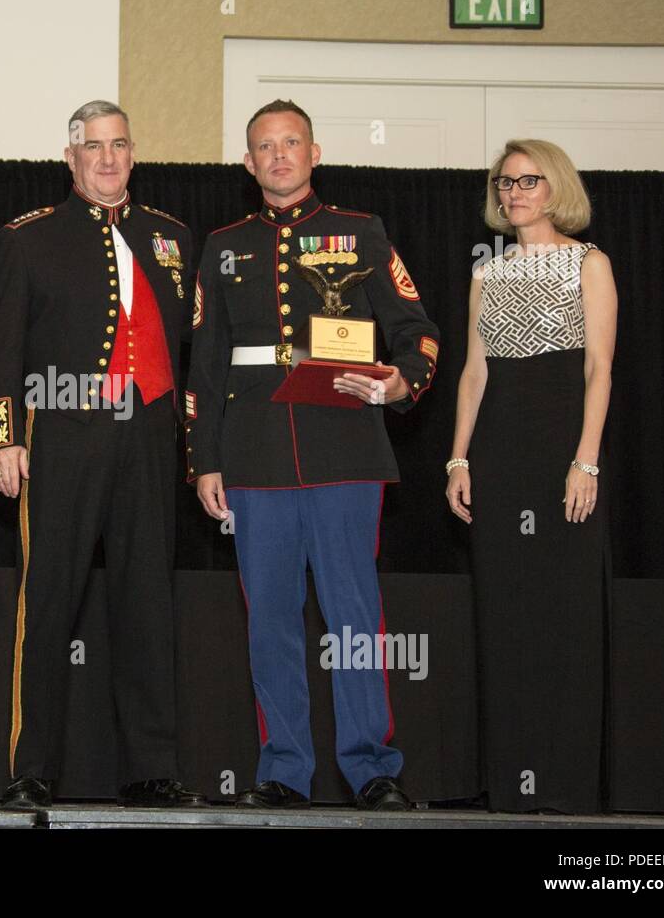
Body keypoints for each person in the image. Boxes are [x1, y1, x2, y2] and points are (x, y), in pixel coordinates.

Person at [187, 99, 440, 812]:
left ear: (314, 151)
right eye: (264, 146)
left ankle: (371, 768)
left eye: (290, 142)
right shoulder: (224, 245)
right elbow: (204, 369)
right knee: (269, 617)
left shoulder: (361, 233)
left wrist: (401, 382)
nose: (278, 155)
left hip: (347, 453)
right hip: (255, 458)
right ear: (247, 162)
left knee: (355, 617)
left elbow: (417, 332)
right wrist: (205, 461)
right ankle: (284, 772)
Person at [0, 100, 203, 809]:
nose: (107, 159)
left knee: (146, 602)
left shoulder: (172, 236)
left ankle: (151, 768)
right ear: (69, 159)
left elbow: (195, 355)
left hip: (146, 441)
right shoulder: (28, 238)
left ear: (134, 155)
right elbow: (0, 346)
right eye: (92, 147)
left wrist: (195, 445)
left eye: (118, 145)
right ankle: (31, 767)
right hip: (61, 437)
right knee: (48, 600)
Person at [446, 139, 616, 814]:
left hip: (563, 455)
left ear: (556, 188)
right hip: (499, 456)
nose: (514, 192)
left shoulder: (589, 263)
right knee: (506, 616)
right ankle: (514, 780)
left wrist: (586, 459)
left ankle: (569, 784)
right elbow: (474, 372)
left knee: (565, 616)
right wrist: (458, 458)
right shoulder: (487, 271)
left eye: (529, 180)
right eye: (505, 181)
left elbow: (599, 368)